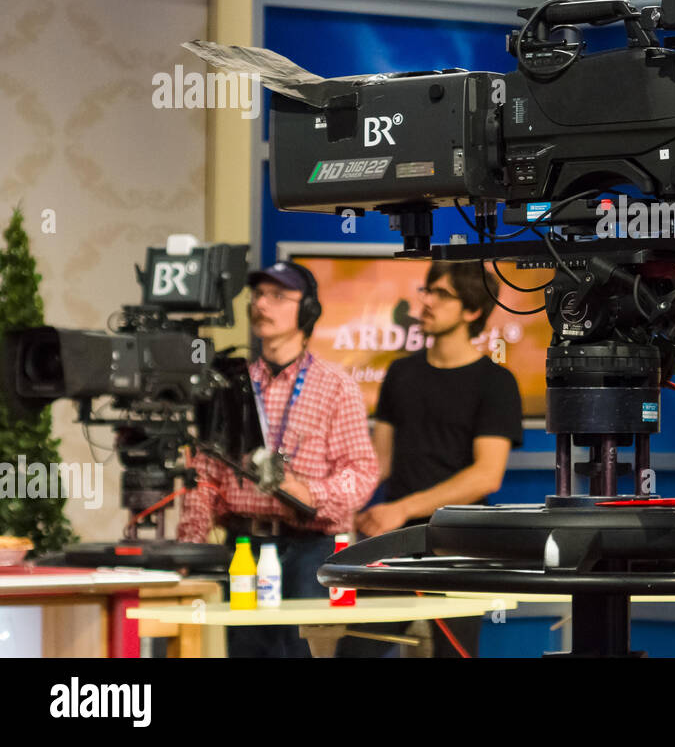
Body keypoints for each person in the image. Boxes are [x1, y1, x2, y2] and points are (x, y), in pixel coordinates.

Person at [178, 261, 379, 657]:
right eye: (257, 296)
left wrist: (302, 490)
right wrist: (189, 548)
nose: (261, 305)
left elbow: (361, 474)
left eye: (277, 296)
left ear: (307, 312)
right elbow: (205, 475)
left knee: (298, 651)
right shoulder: (230, 385)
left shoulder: (336, 386)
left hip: (309, 548)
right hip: (242, 545)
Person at [344, 260, 523, 657]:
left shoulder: (496, 383)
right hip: (396, 546)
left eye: (440, 294)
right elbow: (380, 461)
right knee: (356, 650)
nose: (425, 302)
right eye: (426, 291)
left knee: (454, 654)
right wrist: (343, 507)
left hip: (458, 545)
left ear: (472, 311)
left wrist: (399, 509)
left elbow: (486, 476)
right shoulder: (401, 373)